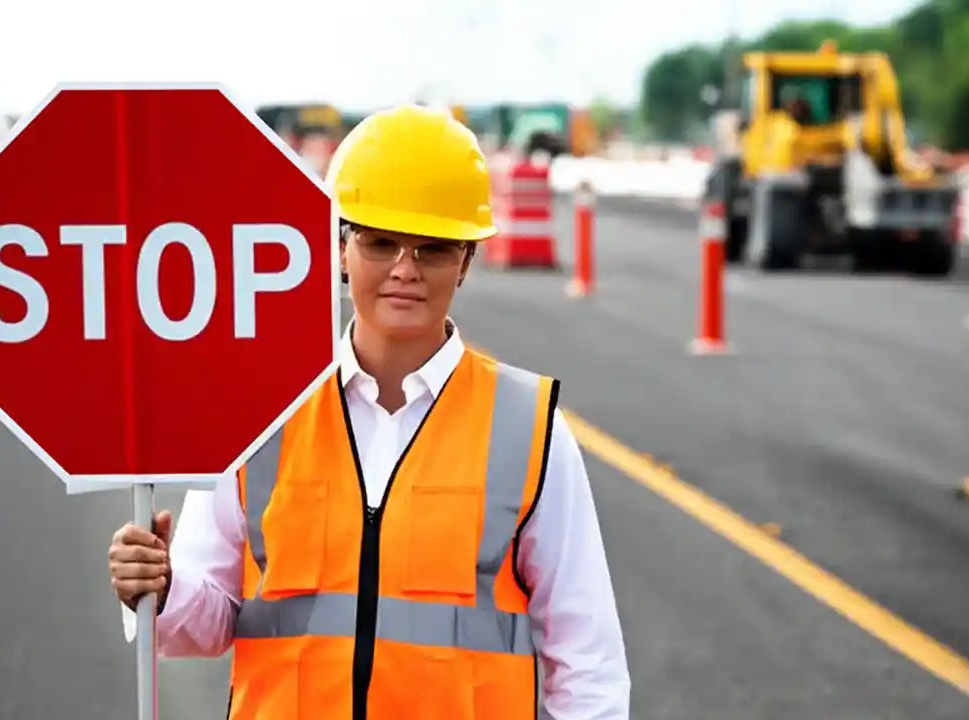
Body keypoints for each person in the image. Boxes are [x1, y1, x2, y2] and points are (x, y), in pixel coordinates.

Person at [108, 104, 630, 719]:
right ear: (341, 250)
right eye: (380, 242)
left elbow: (587, 661)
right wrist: (161, 589)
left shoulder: (528, 425)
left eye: (433, 249)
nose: (405, 270)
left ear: (465, 262)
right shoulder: (260, 414)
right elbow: (202, 623)